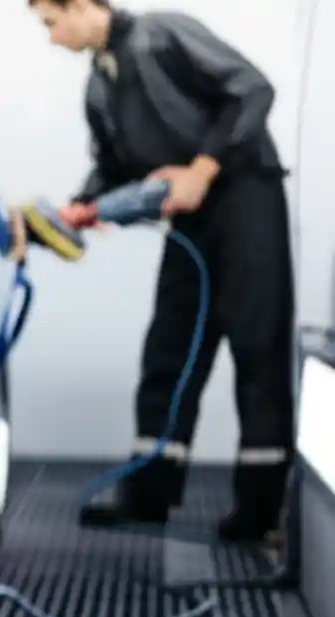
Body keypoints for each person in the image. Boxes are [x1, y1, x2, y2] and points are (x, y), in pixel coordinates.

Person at [27, 0, 296, 541]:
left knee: (257, 347)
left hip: (245, 198)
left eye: (52, 22)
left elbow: (252, 88)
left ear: (81, 6)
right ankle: (149, 496)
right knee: (169, 351)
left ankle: (261, 511)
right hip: (189, 219)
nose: (51, 38)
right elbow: (112, 169)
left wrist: (202, 168)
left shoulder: (161, 34)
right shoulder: (98, 87)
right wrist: (79, 208)